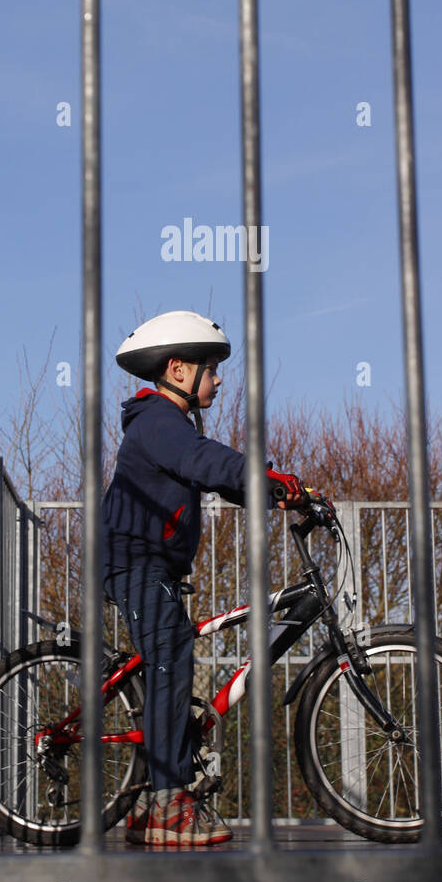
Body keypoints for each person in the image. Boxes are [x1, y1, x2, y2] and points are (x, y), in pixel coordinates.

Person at [101, 310, 304, 850]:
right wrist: (264, 474)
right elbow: (204, 461)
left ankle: (149, 806)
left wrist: (278, 493)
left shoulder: (171, 426)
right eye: (211, 369)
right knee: (172, 656)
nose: (217, 380)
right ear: (177, 370)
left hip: (154, 565)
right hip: (135, 562)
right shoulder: (157, 422)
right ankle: (168, 803)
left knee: (173, 656)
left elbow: (213, 475)